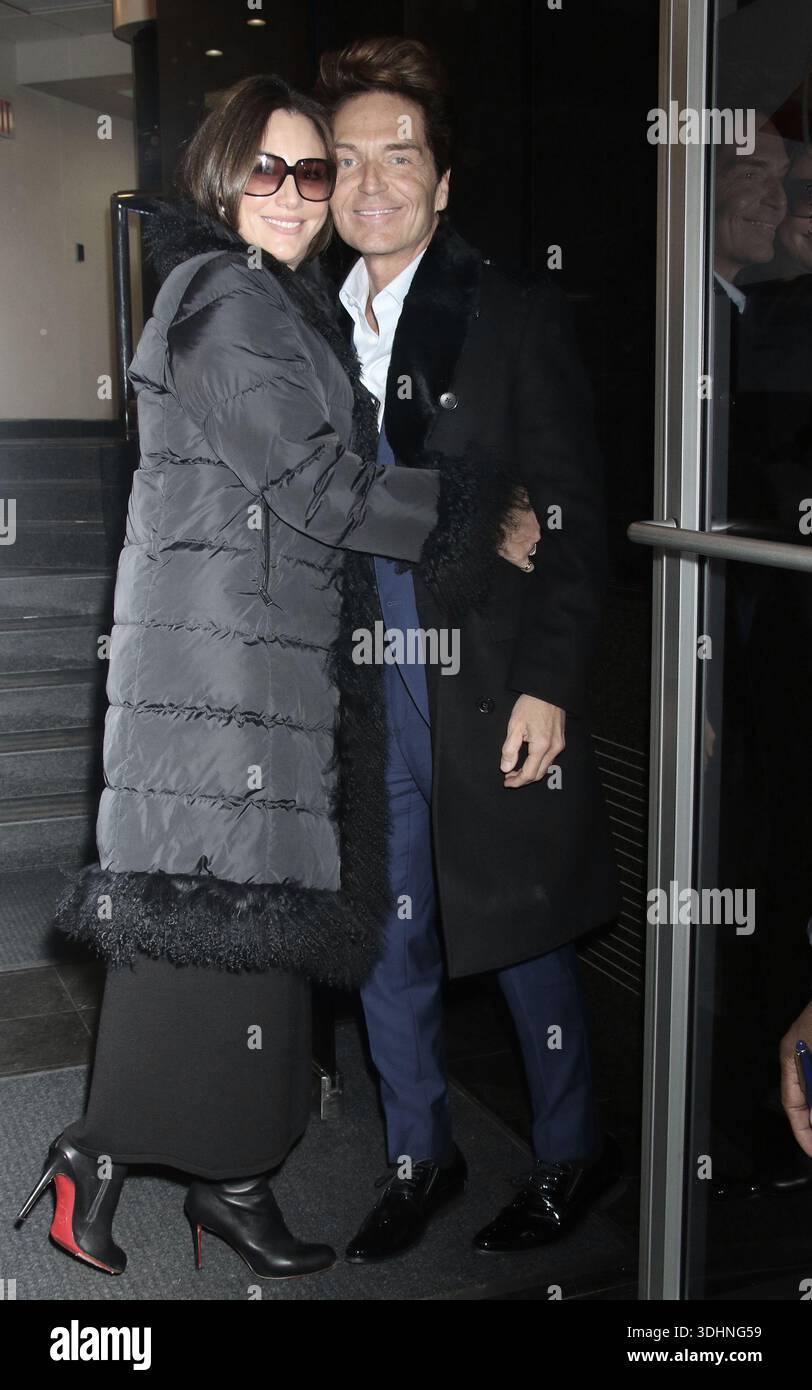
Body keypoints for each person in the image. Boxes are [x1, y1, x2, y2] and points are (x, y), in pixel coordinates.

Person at [14, 74, 527, 1280]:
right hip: (216, 679)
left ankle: (233, 1189)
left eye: (314, 173)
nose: (298, 195)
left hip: (256, 671)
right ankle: (91, 1160)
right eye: (270, 171)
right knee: (200, 943)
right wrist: (465, 509)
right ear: (219, 178)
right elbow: (313, 487)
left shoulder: (267, 300)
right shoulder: (228, 305)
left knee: (255, 949)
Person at [315, 37, 621, 1262]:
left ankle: (567, 1155)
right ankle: (417, 1152)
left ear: (441, 183)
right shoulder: (304, 322)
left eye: (400, 155)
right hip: (354, 667)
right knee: (385, 925)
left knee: (516, 921)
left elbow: (572, 519)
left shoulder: (509, 315)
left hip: (483, 668)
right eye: (346, 160)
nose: (371, 180)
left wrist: (549, 682)